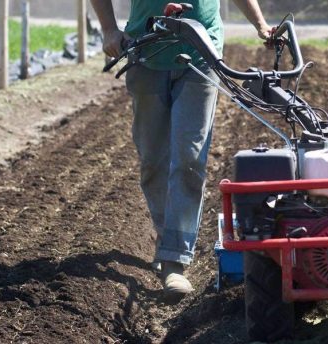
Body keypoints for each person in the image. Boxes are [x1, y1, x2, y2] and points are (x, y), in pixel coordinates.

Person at [90, 0, 273, 298]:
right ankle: (166, 237)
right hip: (146, 52)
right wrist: (110, 29)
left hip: (200, 55)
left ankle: (174, 260)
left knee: (189, 157)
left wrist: (261, 25)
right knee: (153, 161)